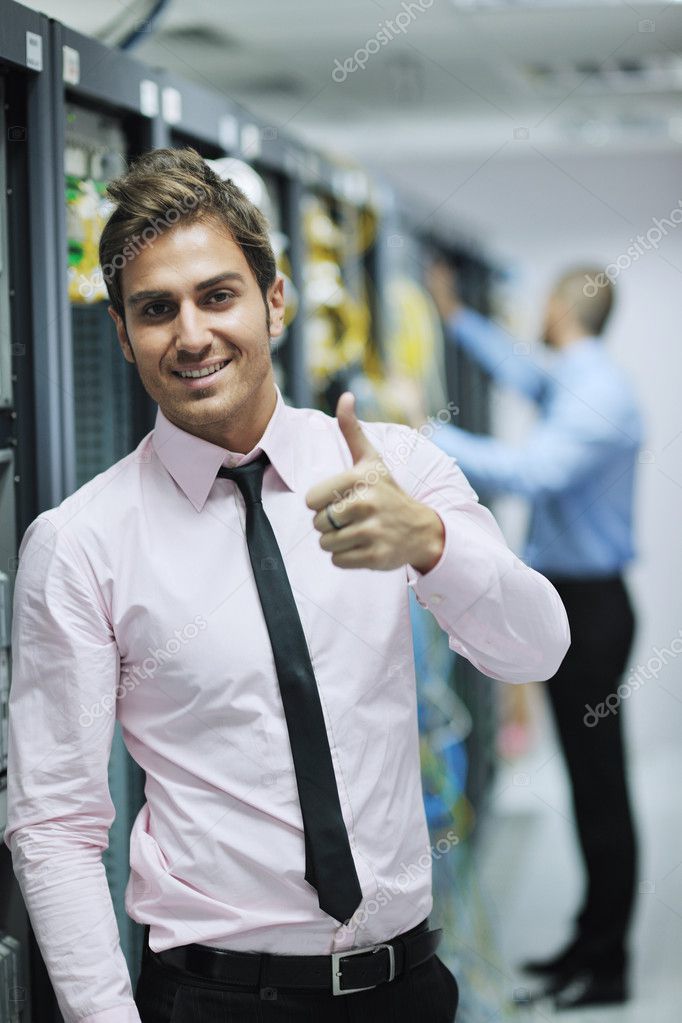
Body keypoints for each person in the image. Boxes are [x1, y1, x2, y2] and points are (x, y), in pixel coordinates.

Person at [2, 148, 570, 1023]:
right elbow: (56, 822)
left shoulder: (394, 465)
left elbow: (537, 646)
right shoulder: (80, 545)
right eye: (156, 309)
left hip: (408, 988)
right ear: (121, 333)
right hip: (214, 997)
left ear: (274, 301)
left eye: (218, 295)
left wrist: (432, 543)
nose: (191, 334)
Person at [426, 260, 643, 1010]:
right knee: (591, 785)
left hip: (592, 608)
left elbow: (533, 471)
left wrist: (422, 437)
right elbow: (522, 375)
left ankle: (607, 964)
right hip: (580, 600)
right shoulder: (579, 378)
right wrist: (459, 324)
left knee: (599, 789)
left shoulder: (600, 395)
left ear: (559, 307)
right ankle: (588, 943)